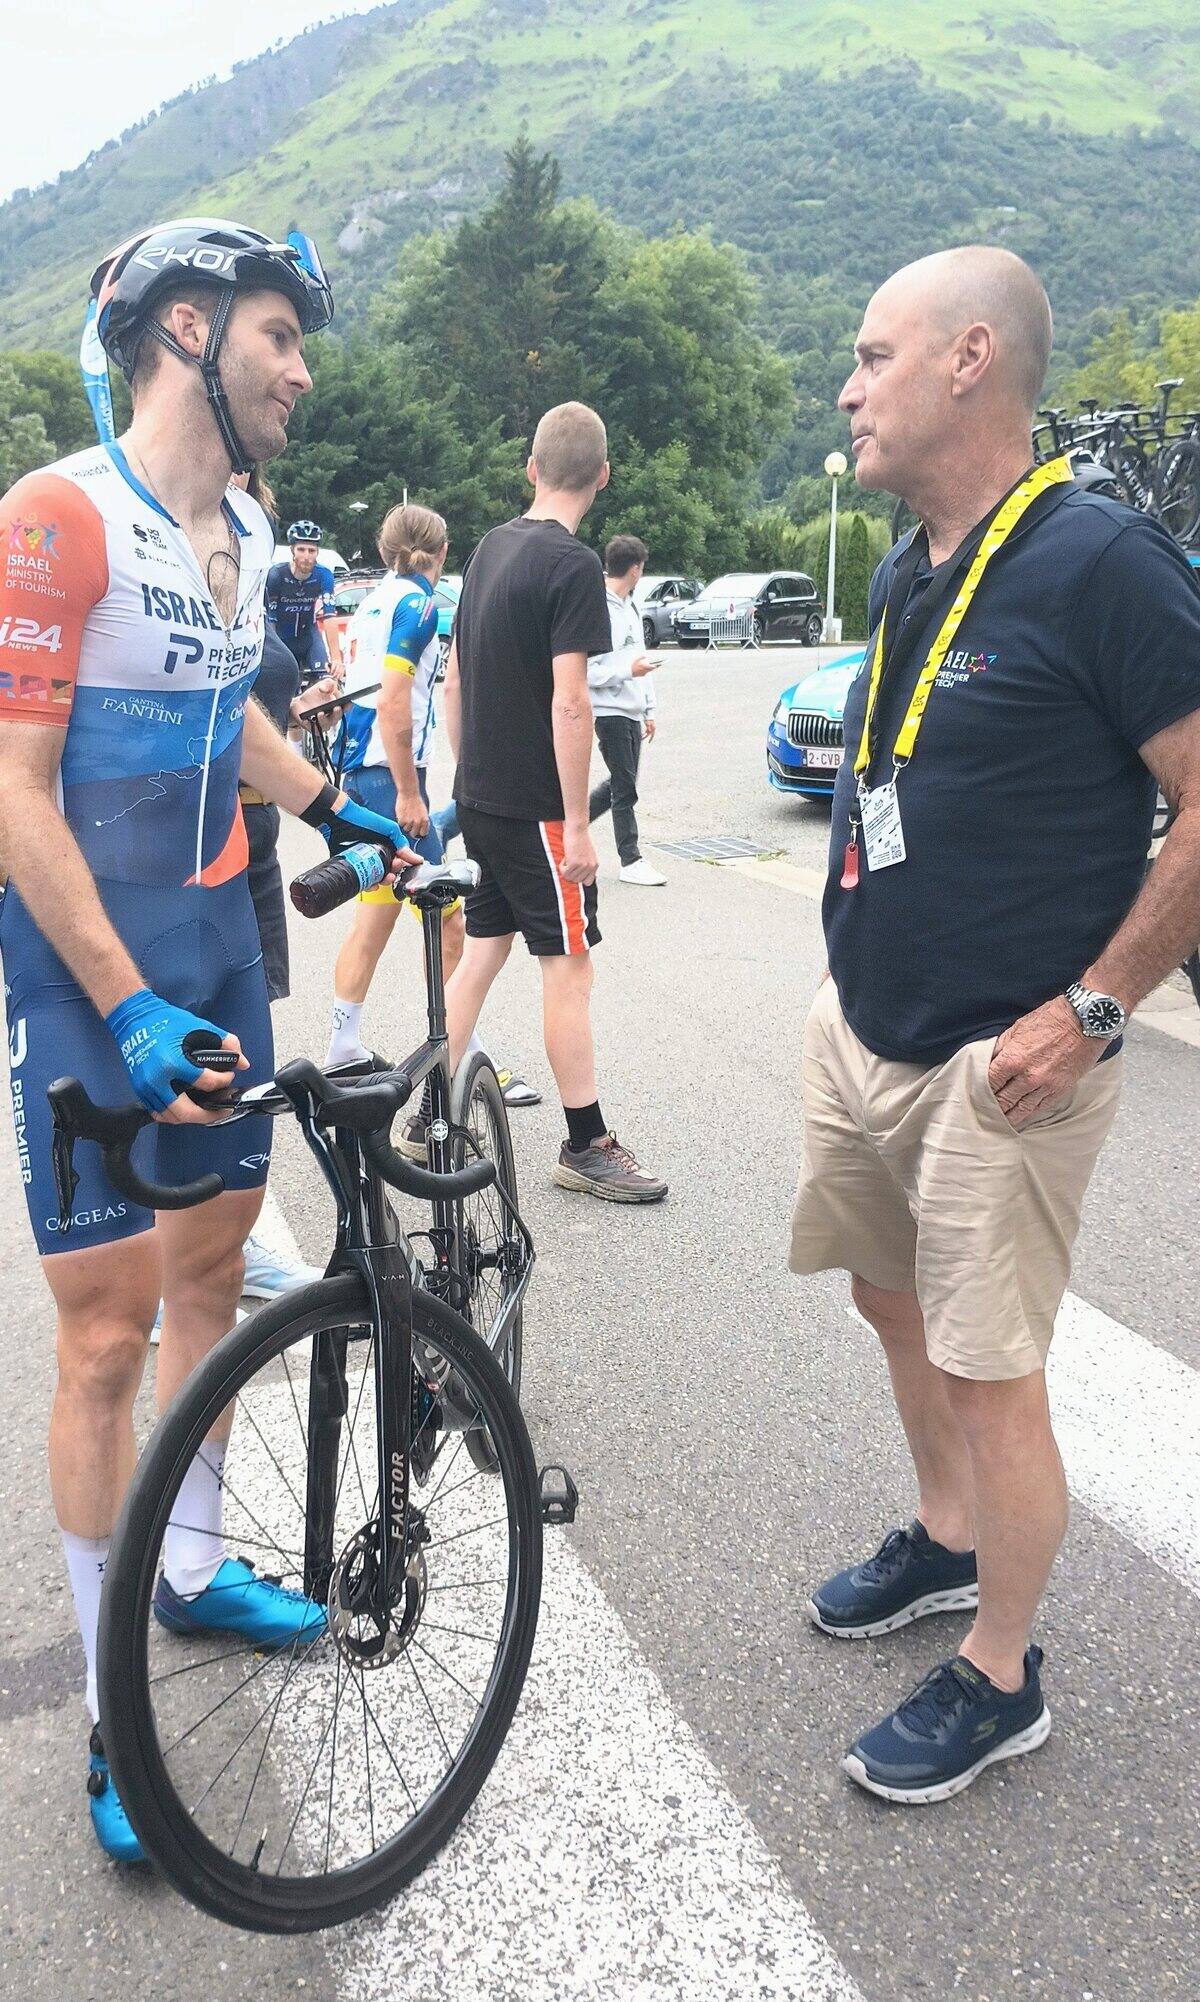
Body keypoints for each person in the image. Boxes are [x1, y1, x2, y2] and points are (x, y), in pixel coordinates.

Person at [0, 218, 417, 1861]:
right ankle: (115, 1706)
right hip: (91, 979)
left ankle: (192, 1568)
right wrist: (122, 1000)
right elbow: (13, 790)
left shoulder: (238, 521)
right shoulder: (55, 516)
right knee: (106, 1339)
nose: (301, 371)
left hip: (220, 952)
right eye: (279, 338)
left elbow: (229, 711)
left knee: (209, 1281)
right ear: (187, 328)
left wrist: (342, 805)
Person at [790, 245, 1200, 1803]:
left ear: (970, 361)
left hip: (1007, 1064)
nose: (847, 385)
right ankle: (948, 1541)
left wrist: (1096, 1009)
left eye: (870, 353)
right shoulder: (912, 561)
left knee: (990, 1365)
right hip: (871, 1029)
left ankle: (1003, 1672)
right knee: (890, 1308)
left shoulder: (1101, 560)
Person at [441, 401, 667, 1202]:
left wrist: (472, 775)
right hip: (537, 807)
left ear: (531, 467)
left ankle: (431, 1104)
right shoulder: (572, 565)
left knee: (484, 948)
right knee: (567, 968)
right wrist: (577, 825)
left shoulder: (488, 549)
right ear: (602, 477)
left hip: (483, 796)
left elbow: (457, 678)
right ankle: (585, 1142)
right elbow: (571, 703)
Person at [586, 534, 665, 887]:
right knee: (624, 786)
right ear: (635, 569)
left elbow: (640, 656)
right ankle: (630, 859)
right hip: (609, 711)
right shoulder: (597, 609)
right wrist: (626, 672)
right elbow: (588, 669)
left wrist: (648, 708)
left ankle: (567, 826)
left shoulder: (631, 606)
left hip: (632, 709)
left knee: (623, 782)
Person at [265, 520, 342, 682]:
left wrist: (336, 659)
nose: (306, 556)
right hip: (281, 639)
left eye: (311, 550)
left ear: (317, 552)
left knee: (326, 681)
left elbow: (329, 617)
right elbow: (270, 619)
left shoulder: (324, 575)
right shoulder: (276, 575)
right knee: (285, 684)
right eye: (301, 549)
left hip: (308, 637)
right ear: (292, 550)